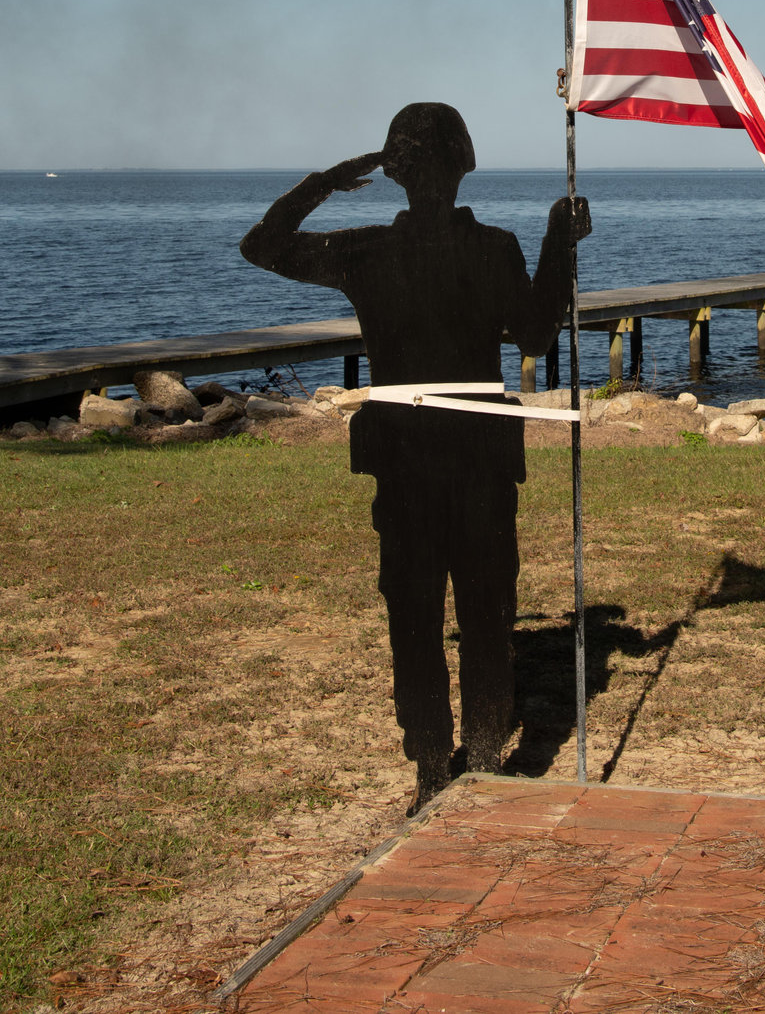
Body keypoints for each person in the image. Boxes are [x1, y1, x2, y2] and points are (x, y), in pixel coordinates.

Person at [239, 102, 590, 812]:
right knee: (487, 606)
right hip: (476, 451)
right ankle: (485, 751)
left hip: (404, 451)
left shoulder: (364, 250)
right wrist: (559, 243)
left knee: (416, 611)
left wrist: (328, 181)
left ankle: (433, 760)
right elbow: (534, 339)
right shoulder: (494, 247)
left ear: (391, 169)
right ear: (465, 162)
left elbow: (263, 245)